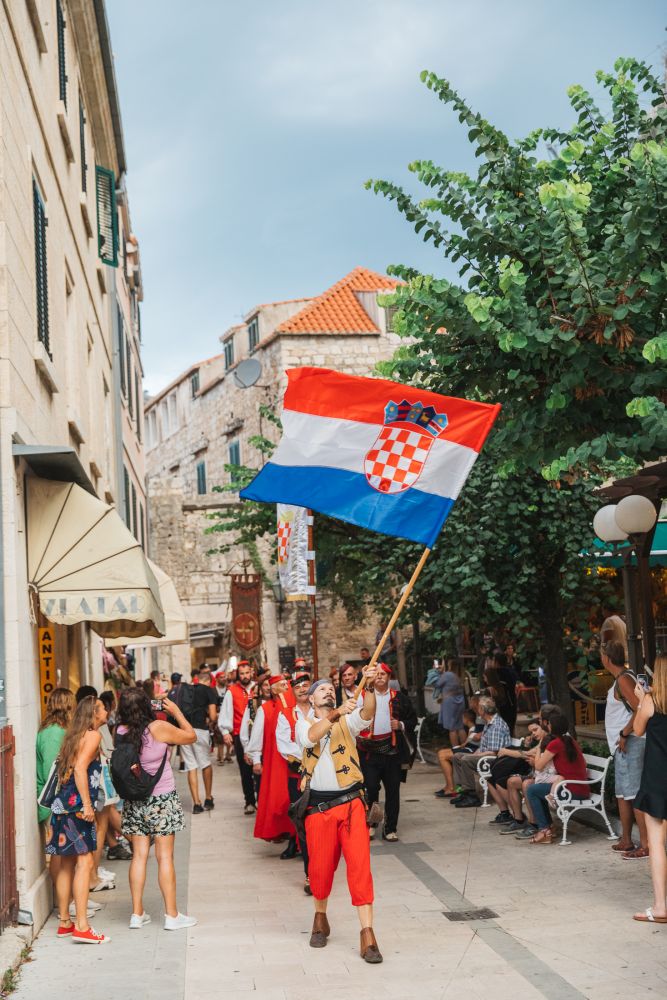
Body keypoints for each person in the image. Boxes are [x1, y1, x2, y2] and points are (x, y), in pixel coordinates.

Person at [296, 665, 383, 964]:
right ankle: (320, 918)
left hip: (351, 805)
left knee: (360, 867)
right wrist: (334, 715)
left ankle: (367, 934)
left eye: (330, 688)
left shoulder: (347, 720)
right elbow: (310, 738)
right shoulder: (302, 722)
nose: (329, 690)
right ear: (310, 698)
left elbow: (367, 713)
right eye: (322, 689)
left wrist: (367, 687)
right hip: (318, 810)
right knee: (319, 872)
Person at [115, 687, 198, 931]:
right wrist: (176, 711)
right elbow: (191, 736)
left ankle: (136, 914)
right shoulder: (159, 729)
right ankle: (172, 916)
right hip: (161, 798)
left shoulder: (120, 731)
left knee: (139, 856)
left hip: (134, 800)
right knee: (164, 857)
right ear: (147, 706)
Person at [46, 695, 110, 944]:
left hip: (61, 806)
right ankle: (82, 926)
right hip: (77, 808)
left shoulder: (72, 736)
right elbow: (82, 768)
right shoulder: (93, 735)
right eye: (103, 708)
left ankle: (65, 921)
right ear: (94, 713)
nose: (106, 711)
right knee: (84, 863)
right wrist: (87, 804)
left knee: (64, 864)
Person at [357, 663, 416, 841]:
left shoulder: (399, 698)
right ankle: (373, 824)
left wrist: (401, 725)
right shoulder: (362, 696)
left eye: (384, 674)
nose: (380, 677)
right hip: (369, 752)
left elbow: (412, 719)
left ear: (389, 677)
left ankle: (390, 829)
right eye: (377, 674)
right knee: (372, 789)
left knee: (393, 791)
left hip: (393, 752)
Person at [601, 639, 648, 859]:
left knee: (633, 793)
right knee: (623, 794)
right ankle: (627, 840)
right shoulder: (622, 679)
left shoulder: (623, 680)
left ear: (607, 659)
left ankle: (646, 845)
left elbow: (641, 708)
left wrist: (625, 732)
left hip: (631, 743)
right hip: (622, 746)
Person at [36, 688, 79, 916]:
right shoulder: (53, 733)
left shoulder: (58, 730)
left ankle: (70, 898)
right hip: (54, 801)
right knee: (59, 853)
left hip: (60, 800)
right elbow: (52, 773)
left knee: (64, 852)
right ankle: (65, 901)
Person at [632, 655, 667, 923]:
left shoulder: (650, 702)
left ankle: (660, 907)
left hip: (657, 779)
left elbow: (637, 730)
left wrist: (639, 699)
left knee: (656, 844)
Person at [525, 712, 589, 845]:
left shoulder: (556, 743)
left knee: (531, 790)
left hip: (571, 789)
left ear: (551, 727)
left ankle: (544, 830)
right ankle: (549, 828)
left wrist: (539, 748)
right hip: (579, 787)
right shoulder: (570, 740)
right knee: (536, 789)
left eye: (548, 724)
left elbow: (538, 766)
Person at [247, 676, 296, 843]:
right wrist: (256, 760)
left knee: (292, 796)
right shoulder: (265, 709)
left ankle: (293, 835)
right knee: (279, 799)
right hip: (275, 760)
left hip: (292, 759)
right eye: (281, 685)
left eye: (286, 684)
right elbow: (257, 737)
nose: (286, 687)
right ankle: (282, 831)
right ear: (273, 690)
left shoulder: (294, 707)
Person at [275, 672, 311, 888]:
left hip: (322, 775)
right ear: (293, 691)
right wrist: (306, 758)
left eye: (306, 685)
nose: (303, 689)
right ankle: (310, 873)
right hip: (298, 776)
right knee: (304, 824)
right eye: (298, 687)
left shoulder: (321, 711)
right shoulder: (285, 715)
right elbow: (283, 745)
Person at [451, 697, 511, 808]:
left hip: (495, 760)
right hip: (486, 756)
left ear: (483, 710)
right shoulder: (488, 723)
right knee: (457, 756)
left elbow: (494, 752)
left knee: (465, 760)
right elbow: (483, 747)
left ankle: (472, 796)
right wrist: (475, 754)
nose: (477, 710)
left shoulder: (496, 725)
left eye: (479, 707)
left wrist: (475, 755)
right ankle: (464, 791)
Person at [174, 667, 218, 814]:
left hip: (184, 731)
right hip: (200, 731)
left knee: (191, 766)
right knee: (205, 763)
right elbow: (212, 716)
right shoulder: (209, 691)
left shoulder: (187, 691)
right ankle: (208, 798)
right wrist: (211, 721)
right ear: (209, 681)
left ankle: (196, 804)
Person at [218, 660, 257, 813]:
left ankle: (262, 799)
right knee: (245, 770)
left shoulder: (257, 688)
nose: (245, 676)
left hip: (259, 734)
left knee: (260, 769)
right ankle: (249, 801)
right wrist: (225, 732)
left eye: (247, 673)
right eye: (242, 673)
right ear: (237, 674)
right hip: (240, 736)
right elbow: (226, 712)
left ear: (251, 672)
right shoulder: (231, 691)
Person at [435, 707, 481, 797]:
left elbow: (474, 740)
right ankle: (449, 786)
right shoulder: (480, 719)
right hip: (471, 747)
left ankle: (451, 788)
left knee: (442, 755)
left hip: (473, 749)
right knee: (441, 752)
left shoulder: (481, 720)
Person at [433, 659, 466, 747]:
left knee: (452, 728)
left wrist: (436, 672)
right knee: (460, 726)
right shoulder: (461, 675)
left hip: (450, 702)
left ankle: (455, 750)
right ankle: (465, 748)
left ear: (451, 665)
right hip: (460, 701)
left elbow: (437, 684)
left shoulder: (448, 675)